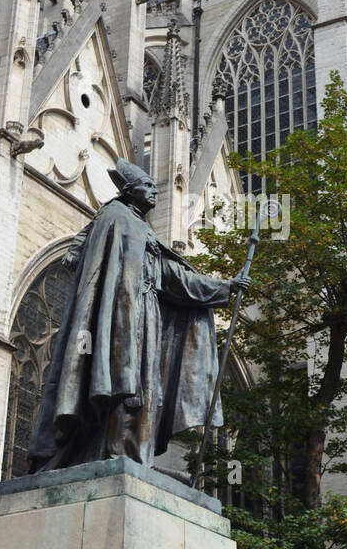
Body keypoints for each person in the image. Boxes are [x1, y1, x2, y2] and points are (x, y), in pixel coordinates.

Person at [28, 158, 247, 471]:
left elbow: (172, 277)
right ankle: (115, 454)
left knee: (143, 389)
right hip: (117, 318)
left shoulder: (143, 230)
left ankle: (135, 459)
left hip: (146, 318)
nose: (154, 193)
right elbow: (93, 271)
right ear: (129, 192)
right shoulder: (114, 217)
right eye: (147, 187)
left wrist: (225, 287)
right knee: (122, 385)